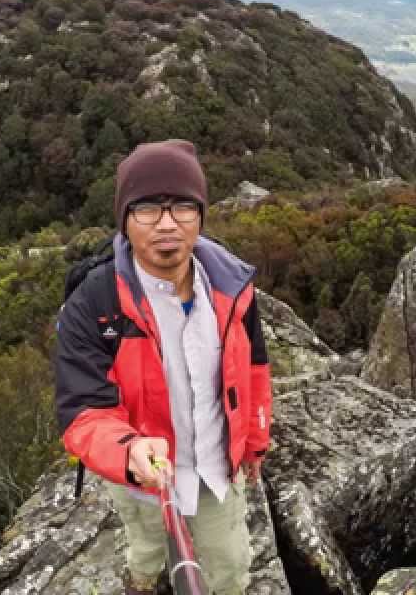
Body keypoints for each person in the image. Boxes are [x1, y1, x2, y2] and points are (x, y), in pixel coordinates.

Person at [53, 139, 273, 595]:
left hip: (215, 468)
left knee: (229, 572)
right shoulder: (95, 302)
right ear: (126, 220)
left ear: (201, 215)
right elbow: (82, 411)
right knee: (147, 549)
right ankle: (141, 582)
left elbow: (253, 367)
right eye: (149, 209)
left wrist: (254, 442)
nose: (167, 224)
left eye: (183, 208)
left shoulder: (232, 287)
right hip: (141, 477)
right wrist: (128, 452)